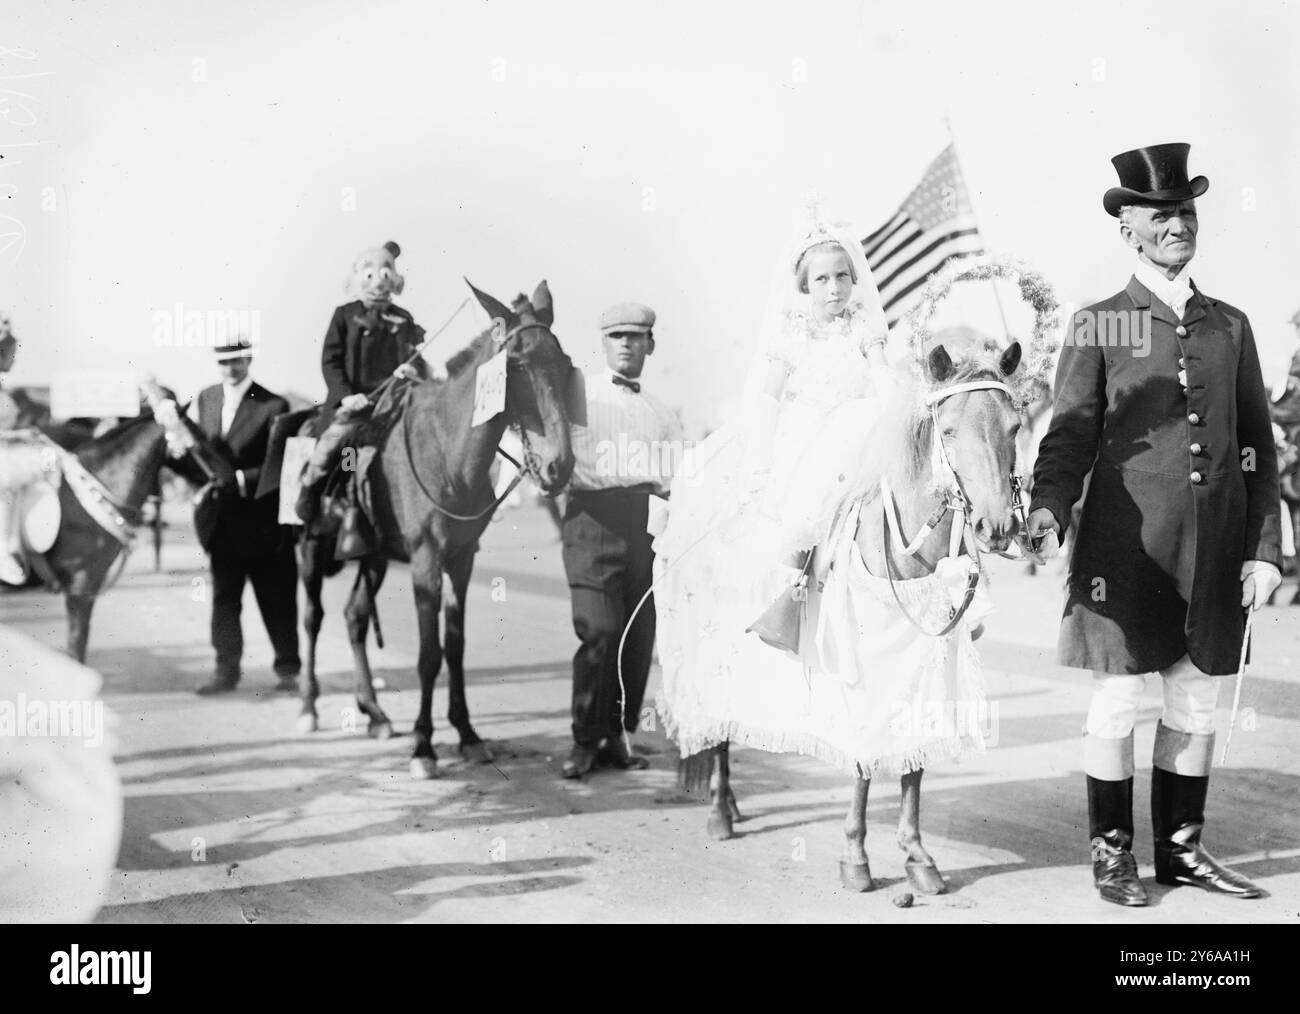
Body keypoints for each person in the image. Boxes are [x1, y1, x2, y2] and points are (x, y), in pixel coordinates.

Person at [1026, 143, 1282, 907]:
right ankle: (1112, 856)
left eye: (1187, 212)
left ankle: (1181, 851)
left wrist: (1264, 549)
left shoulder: (1229, 326)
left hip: (1213, 549)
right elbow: (1070, 432)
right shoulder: (1099, 324)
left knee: (1194, 699)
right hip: (1125, 548)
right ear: (1128, 230)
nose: (1178, 225)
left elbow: (1256, 449)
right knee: (1116, 701)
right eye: (1161, 215)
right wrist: (1047, 506)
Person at [560, 302, 682, 778]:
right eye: (617, 337)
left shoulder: (661, 411)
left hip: (645, 523)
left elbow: (675, 478)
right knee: (599, 631)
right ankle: (584, 740)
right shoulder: (579, 398)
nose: (627, 344)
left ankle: (619, 735)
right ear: (603, 343)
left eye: (636, 336)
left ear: (650, 344)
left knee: (636, 637)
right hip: (591, 519)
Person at [176, 339, 302, 695]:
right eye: (223, 363)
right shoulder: (206, 397)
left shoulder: (273, 404)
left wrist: (241, 479)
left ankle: (288, 669)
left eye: (236, 361)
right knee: (225, 601)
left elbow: (281, 463)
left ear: (248, 359)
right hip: (223, 522)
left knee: (276, 597)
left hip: (263, 522)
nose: (229, 369)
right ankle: (225, 672)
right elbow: (204, 451)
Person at [295, 241, 429, 527]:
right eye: (370, 275)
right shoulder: (344, 315)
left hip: (393, 405)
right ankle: (316, 490)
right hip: (355, 406)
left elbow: (418, 360)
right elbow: (330, 361)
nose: (379, 283)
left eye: (385, 273)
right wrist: (345, 397)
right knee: (341, 446)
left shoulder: (404, 319)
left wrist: (412, 367)